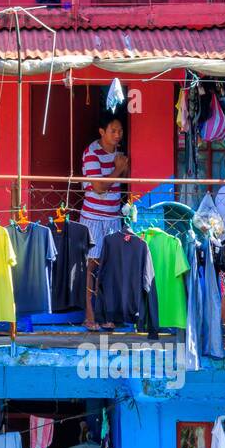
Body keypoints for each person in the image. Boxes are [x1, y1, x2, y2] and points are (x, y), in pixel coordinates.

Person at [80, 115, 129, 330]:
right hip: (93, 218)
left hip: (113, 217)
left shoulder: (118, 154)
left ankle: (105, 313)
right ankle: (89, 315)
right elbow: (99, 187)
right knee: (91, 266)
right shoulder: (92, 154)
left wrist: (119, 167)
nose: (118, 135)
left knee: (108, 268)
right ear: (102, 131)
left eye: (120, 131)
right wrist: (118, 169)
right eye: (113, 131)